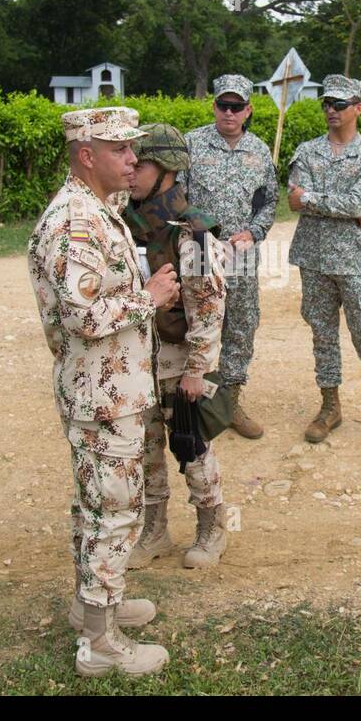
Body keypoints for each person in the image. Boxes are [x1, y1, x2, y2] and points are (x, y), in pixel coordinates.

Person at [28, 106, 181, 677]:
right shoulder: (75, 222)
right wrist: (151, 296)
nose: (133, 159)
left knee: (96, 505)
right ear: (86, 156)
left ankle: (92, 607)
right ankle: (100, 645)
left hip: (110, 390)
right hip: (102, 397)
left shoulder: (98, 210)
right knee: (113, 513)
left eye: (133, 149)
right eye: (120, 150)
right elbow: (81, 315)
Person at [122, 123, 230, 570]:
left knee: (191, 446)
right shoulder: (126, 224)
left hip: (179, 358)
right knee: (144, 451)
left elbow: (208, 306)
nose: (130, 169)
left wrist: (196, 370)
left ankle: (211, 526)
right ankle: (155, 531)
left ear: (166, 168)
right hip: (135, 359)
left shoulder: (195, 232)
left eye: (140, 162)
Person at [287, 74, 361, 452]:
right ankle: (329, 406)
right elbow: (293, 201)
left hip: (355, 262)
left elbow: (358, 203)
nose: (331, 110)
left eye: (339, 104)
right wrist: (344, 207)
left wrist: (313, 199)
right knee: (322, 335)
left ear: (358, 107)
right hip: (315, 258)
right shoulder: (306, 151)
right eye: (326, 103)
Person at [182, 74, 279, 439]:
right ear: (214, 106)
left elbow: (269, 200)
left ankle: (230, 402)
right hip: (201, 253)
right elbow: (176, 195)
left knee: (241, 325)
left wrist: (254, 232)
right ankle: (192, 404)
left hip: (240, 256)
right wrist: (199, 230)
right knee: (198, 323)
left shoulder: (259, 150)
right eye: (223, 105)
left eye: (236, 107)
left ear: (248, 110)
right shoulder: (192, 143)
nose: (229, 112)